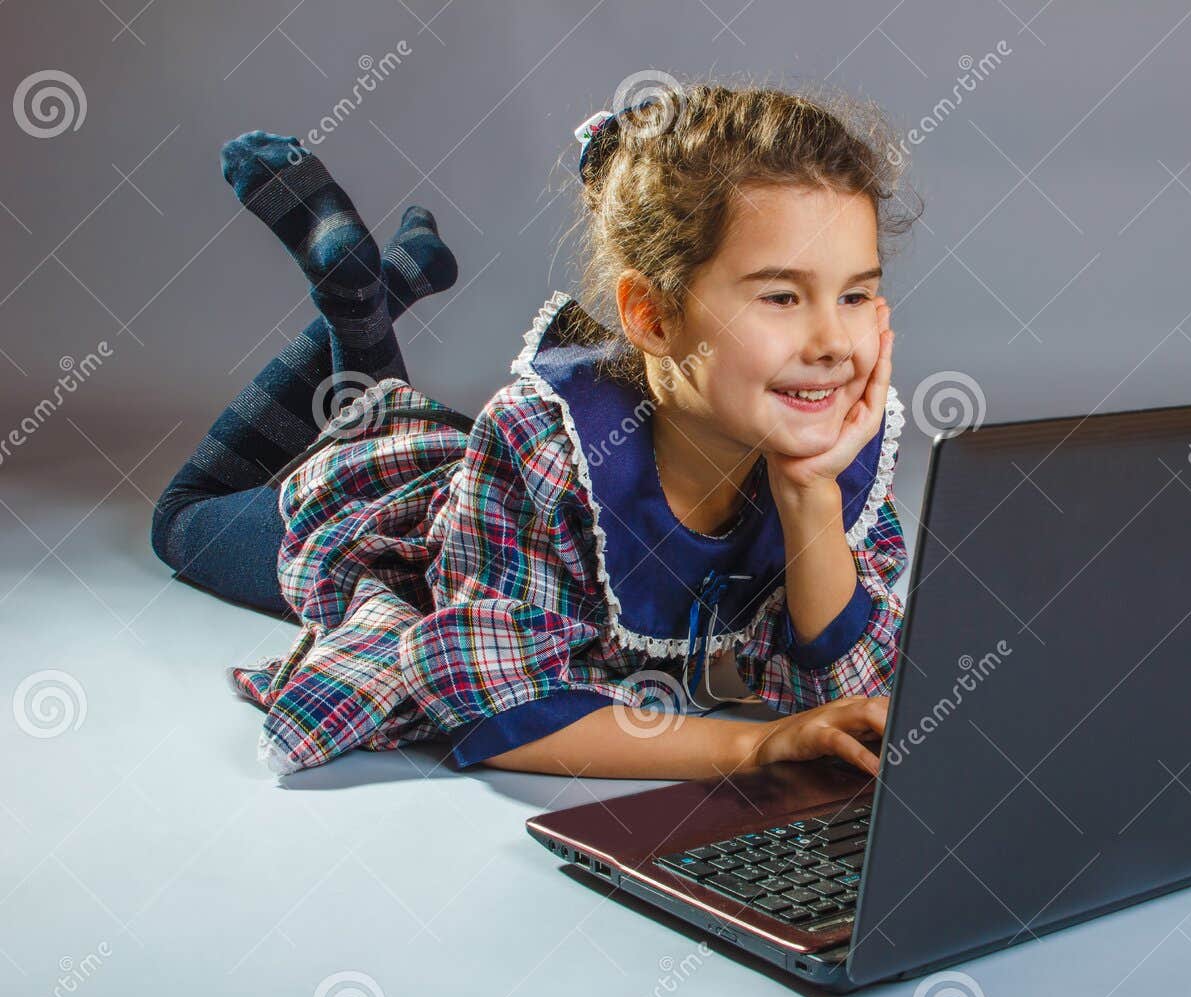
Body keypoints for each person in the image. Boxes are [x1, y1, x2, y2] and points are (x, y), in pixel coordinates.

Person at [150, 81, 921, 781]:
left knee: (371, 398)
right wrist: (755, 744)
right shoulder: (542, 448)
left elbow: (851, 695)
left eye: (857, 296)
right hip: (395, 527)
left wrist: (809, 498)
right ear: (652, 315)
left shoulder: (829, 451)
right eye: (783, 297)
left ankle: (375, 295)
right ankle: (354, 305)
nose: (831, 342)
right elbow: (508, 709)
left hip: (483, 490)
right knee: (182, 517)